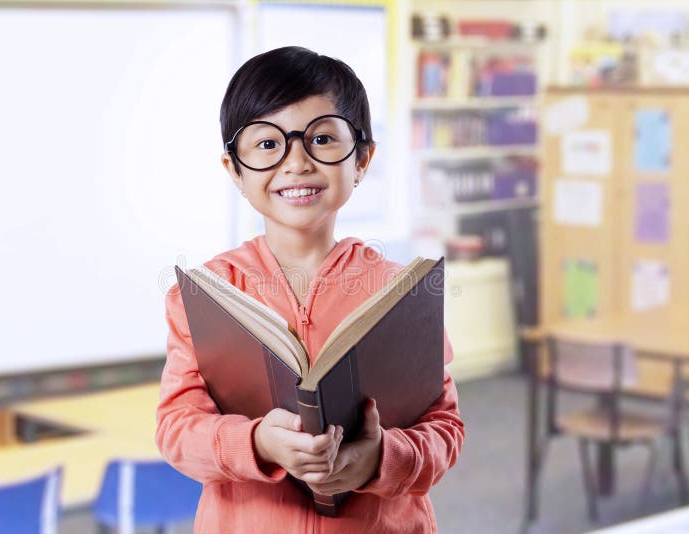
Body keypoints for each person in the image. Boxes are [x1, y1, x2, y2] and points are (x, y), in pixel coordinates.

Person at [156, 46, 464, 533]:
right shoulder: (208, 294)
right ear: (234, 169)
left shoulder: (401, 293)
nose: (296, 162)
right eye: (266, 144)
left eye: (321, 139)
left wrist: (382, 457)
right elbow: (176, 430)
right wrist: (257, 443)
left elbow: (444, 432)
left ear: (362, 160)